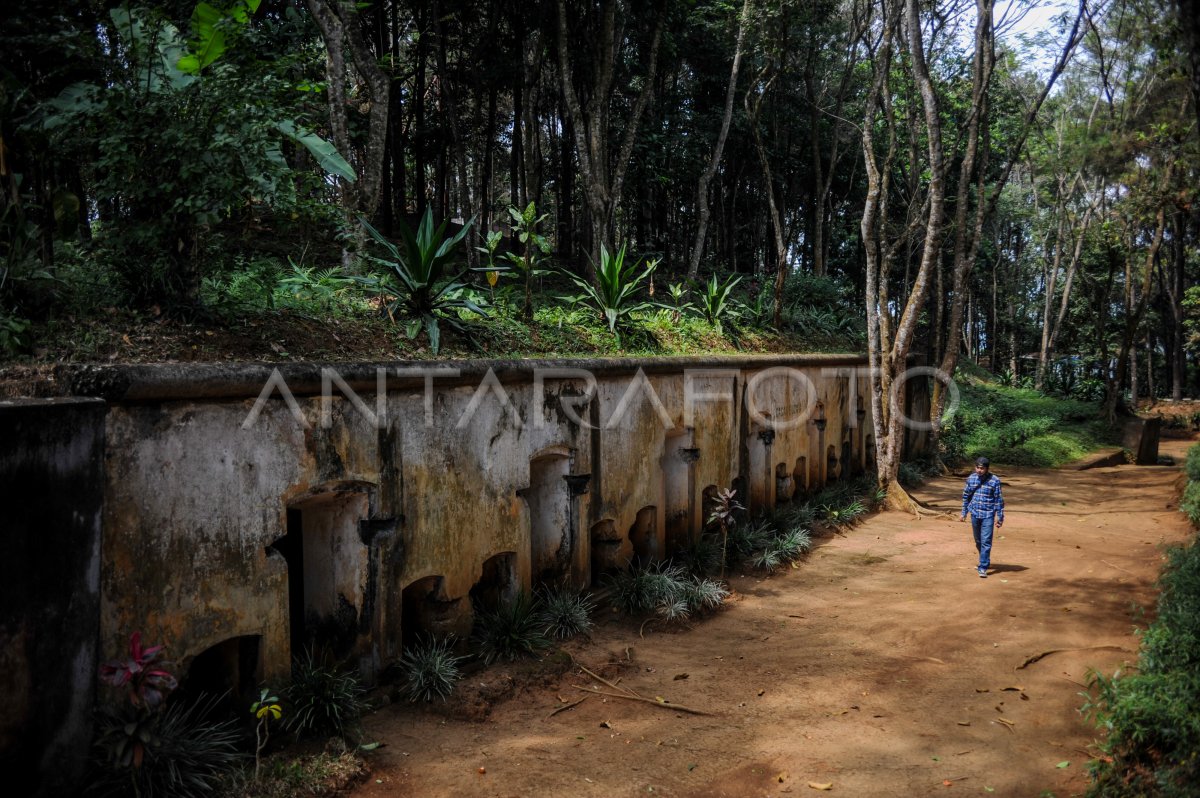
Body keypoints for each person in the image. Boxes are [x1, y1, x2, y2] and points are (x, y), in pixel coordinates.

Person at [960, 456, 1004, 578]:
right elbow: (966, 496)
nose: (979, 470)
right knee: (978, 540)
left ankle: (983, 566)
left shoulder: (994, 480)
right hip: (974, 513)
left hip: (988, 515)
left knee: (986, 541)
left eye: (982, 468)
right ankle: (984, 559)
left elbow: (998, 499)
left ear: (987, 469)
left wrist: (1000, 516)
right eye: (977, 468)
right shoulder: (971, 478)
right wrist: (963, 512)